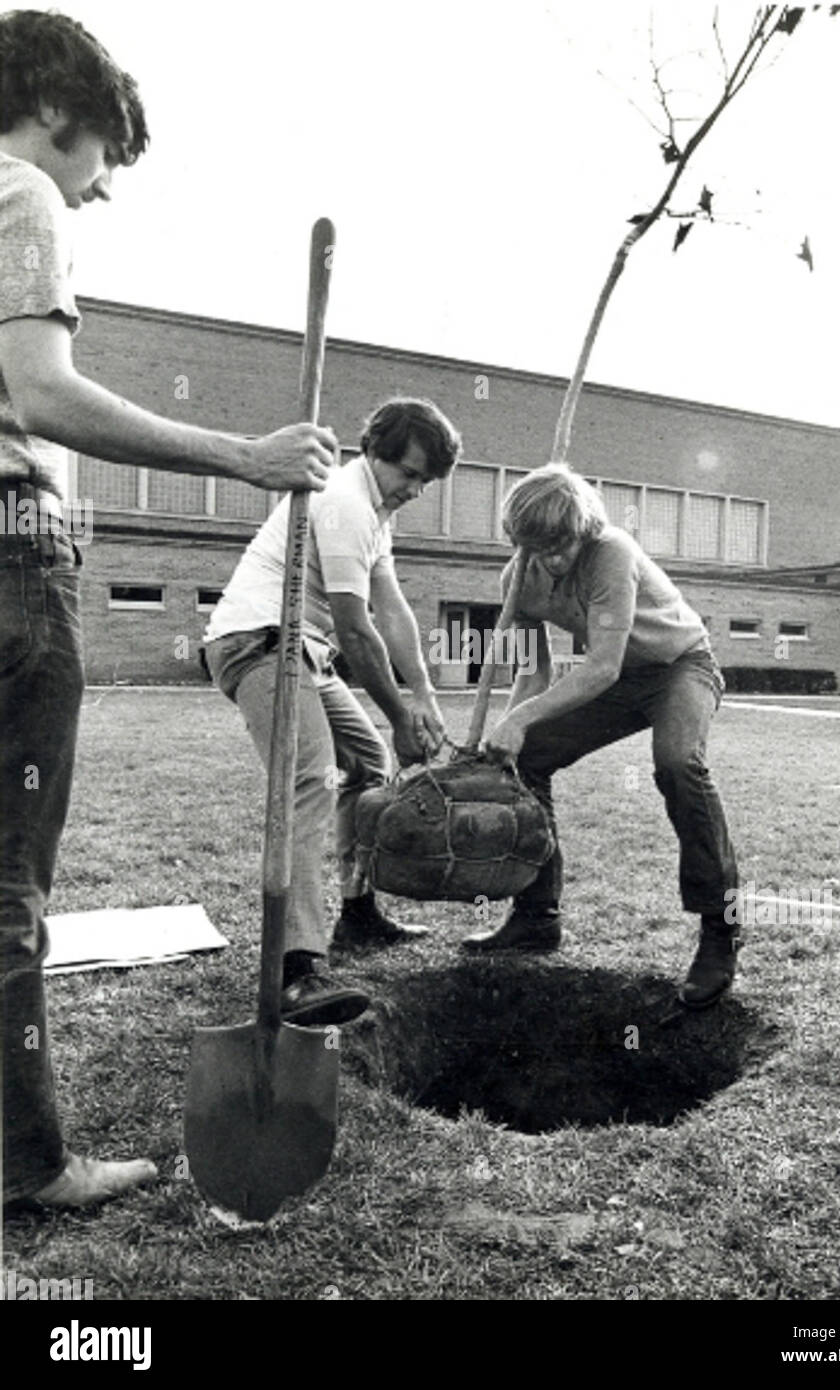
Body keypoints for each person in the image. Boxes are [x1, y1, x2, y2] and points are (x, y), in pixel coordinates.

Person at [1, 11, 335, 1210]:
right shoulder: (19, 190)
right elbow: (39, 391)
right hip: (11, 567)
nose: (93, 197)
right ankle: (28, 1164)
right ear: (56, 113)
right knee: (7, 884)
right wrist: (243, 454)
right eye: (99, 165)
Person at [204, 397, 461, 1019]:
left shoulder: (377, 510)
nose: (417, 490)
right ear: (374, 452)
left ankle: (358, 909)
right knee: (309, 781)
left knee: (367, 763)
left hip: (302, 648)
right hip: (260, 641)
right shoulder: (345, 499)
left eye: (426, 480)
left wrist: (422, 692)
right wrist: (401, 719)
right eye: (409, 473)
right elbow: (356, 628)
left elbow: (391, 606)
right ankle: (297, 969)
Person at [470, 463, 741, 1009]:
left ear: (583, 529)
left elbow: (600, 667)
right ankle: (537, 915)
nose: (552, 559)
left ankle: (721, 930)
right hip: (618, 680)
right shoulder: (516, 579)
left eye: (562, 545)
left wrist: (519, 720)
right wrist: (512, 730)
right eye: (537, 547)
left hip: (680, 666)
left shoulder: (611, 551)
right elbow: (534, 673)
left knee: (677, 763)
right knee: (530, 759)